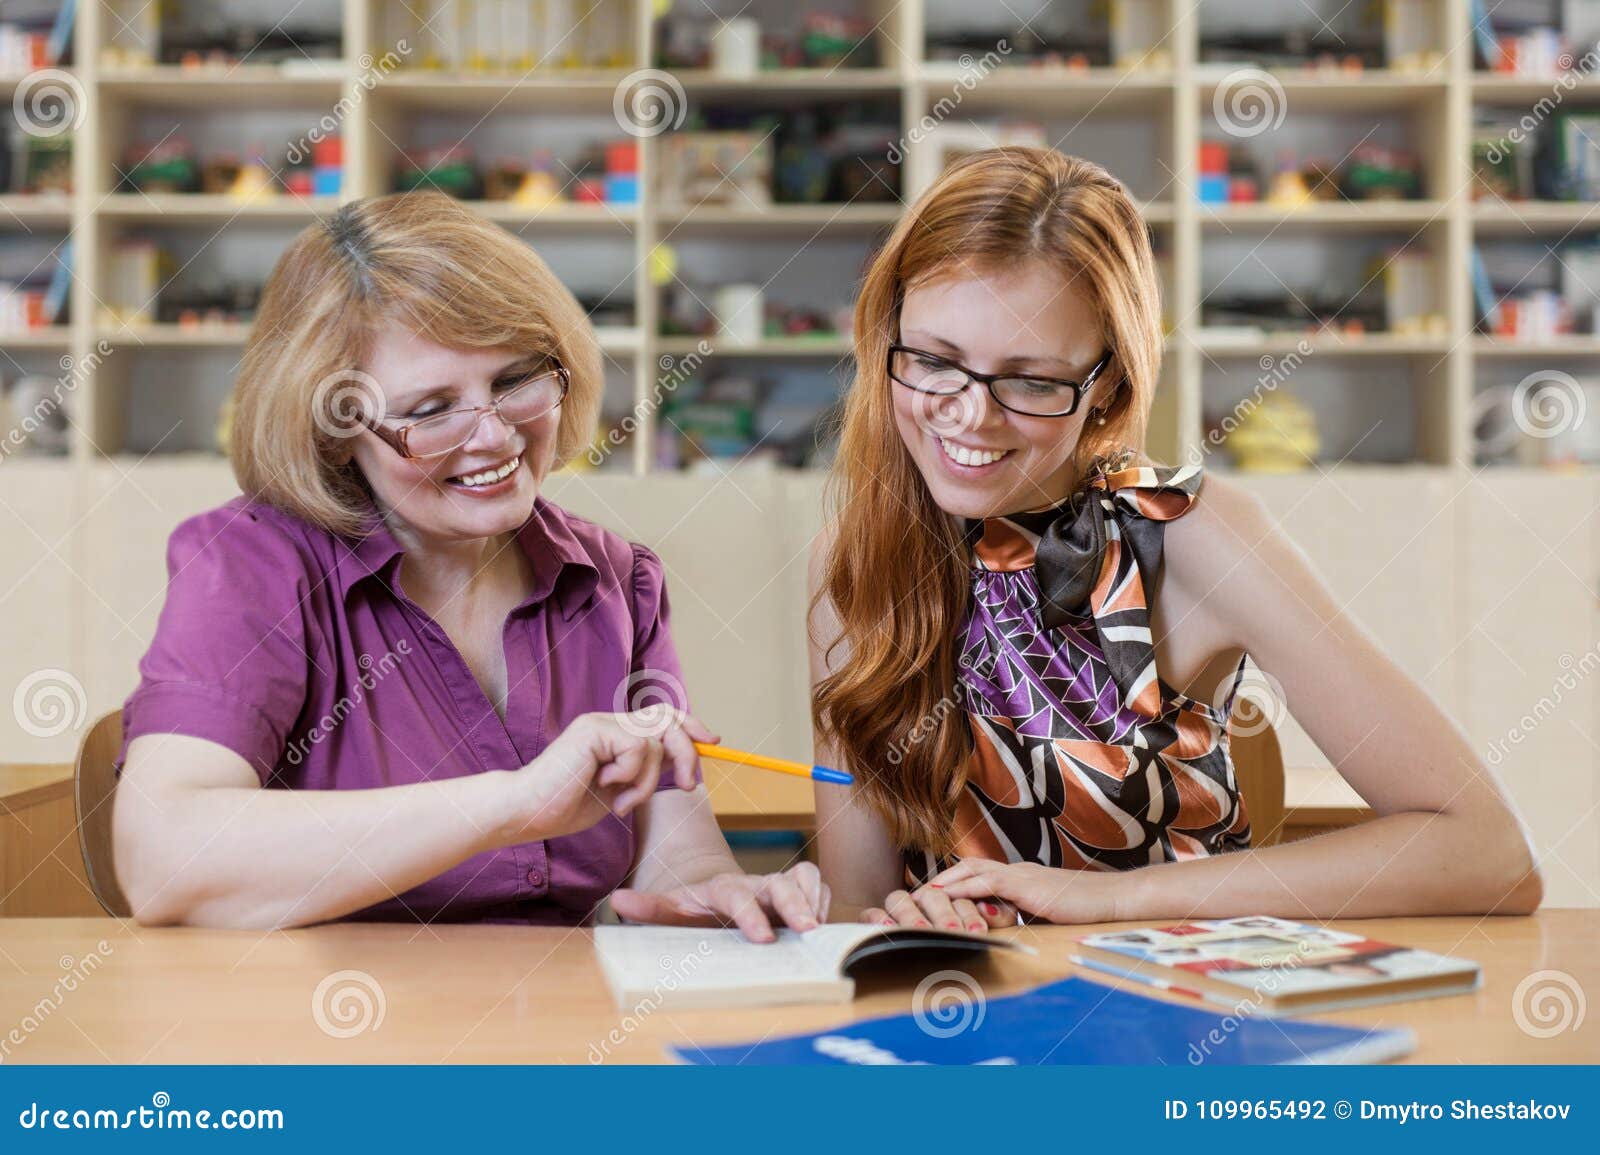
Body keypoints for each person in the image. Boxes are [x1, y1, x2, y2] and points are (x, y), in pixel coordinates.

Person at [809, 147, 1542, 930]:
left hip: (1178, 1018)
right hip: (967, 1016)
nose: (970, 415)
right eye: (934, 360)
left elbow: (1488, 850)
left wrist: (1111, 898)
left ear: (1110, 385)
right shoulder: (853, 560)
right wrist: (897, 920)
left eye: (1031, 380)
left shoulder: (1191, 534)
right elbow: (857, 902)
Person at [114, 191, 826, 940]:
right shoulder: (254, 565)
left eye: (517, 380)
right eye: (430, 410)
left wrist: (719, 896)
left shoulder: (616, 579)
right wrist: (515, 802)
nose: (493, 437)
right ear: (335, 431)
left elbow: (675, 856)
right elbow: (163, 859)